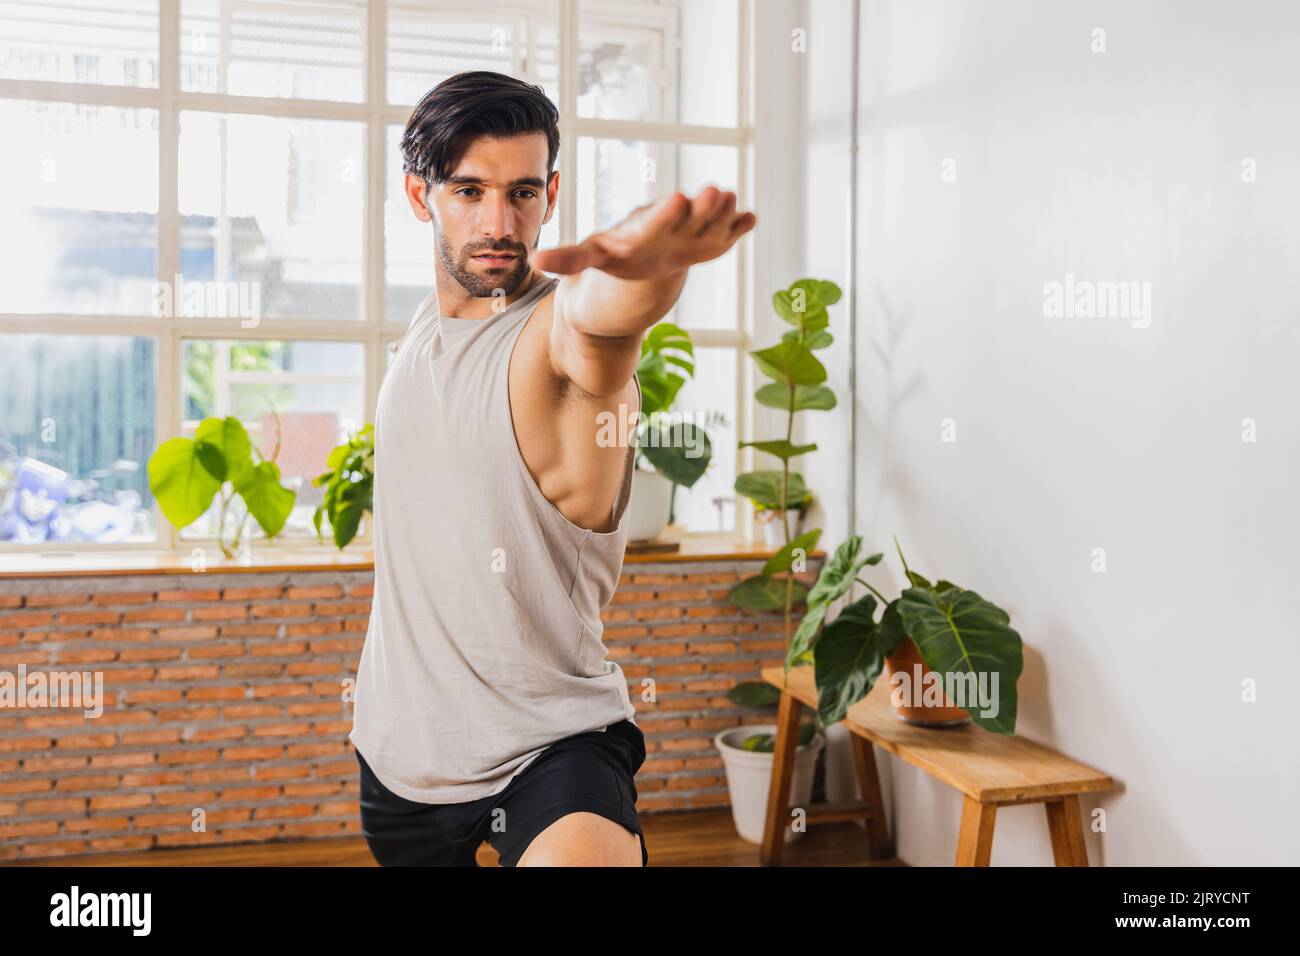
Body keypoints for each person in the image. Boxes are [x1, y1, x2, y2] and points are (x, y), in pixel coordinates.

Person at [349, 70, 757, 867]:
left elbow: (596, 327)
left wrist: (647, 269)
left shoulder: (551, 343)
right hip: (397, 766)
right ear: (418, 195)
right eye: (470, 191)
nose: (500, 223)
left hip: (552, 759)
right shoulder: (432, 323)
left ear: (553, 193)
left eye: (524, 193)